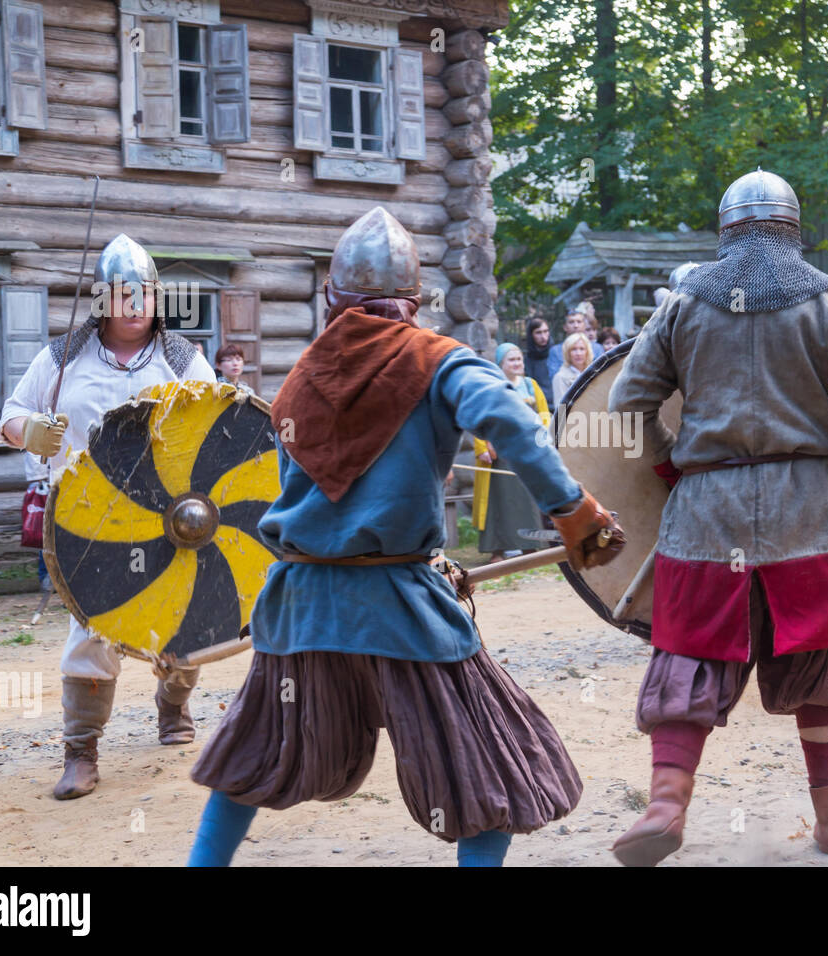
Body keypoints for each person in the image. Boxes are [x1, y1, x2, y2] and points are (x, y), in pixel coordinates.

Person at [185, 207, 624, 868]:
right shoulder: (436, 360)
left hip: (301, 608)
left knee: (250, 759)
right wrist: (574, 509)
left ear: (333, 298)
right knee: (491, 770)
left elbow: (315, 505)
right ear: (413, 302)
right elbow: (511, 418)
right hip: (400, 613)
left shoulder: (301, 379)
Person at [606, 169, 828, 866]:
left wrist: (671, 461)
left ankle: (666, 806)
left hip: (708, 514)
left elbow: (626, 403)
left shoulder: (683, 302)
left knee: (691, 654)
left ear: (726, 229)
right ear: (792, 230)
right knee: (825, 664)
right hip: (810, 518)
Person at [0, 234, 218, 800]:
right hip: (89, 522)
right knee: (91, 631)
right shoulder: (63, 356)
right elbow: (12, 416)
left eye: (143, 293)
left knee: (183, 625)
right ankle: (81, 752)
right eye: (123, 293)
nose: (134, 304)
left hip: (171, 521)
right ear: (105, 298)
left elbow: (219, 431)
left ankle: (173, 705)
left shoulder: (182, 359)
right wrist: (32, 432)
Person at [473, 343, 550, 562]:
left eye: (519, 359)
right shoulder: (491, 386)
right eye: (512, 360)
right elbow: (479, 416)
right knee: (499, 501)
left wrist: (540, 434)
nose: (517, 363)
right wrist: (482, 446)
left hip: (525, 452)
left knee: (526, 500)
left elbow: (544, 413)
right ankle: (497, 549)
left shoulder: (531, 385)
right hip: (499, 453)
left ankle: (529, 546)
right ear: (501, 364)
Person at [546, 309, 604, 377]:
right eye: (571, 322)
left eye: (579, 322)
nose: (576, 325)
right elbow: (554, 376)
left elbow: (601, 373)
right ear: (565, 327)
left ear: (584, 325)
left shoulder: (597, 348)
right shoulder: (555, 351)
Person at [551, 331, 593, 406]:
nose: (578, 353)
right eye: (574, 349)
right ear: (567, 353)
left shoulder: (594, 373)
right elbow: (561, 412)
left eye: (582, 349)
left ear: (587, 352)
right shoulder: (560, 378)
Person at [523, 317, 555, 396]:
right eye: (538, 332)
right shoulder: (526, 361)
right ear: (531, 335)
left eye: (545, 331)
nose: (543, 336)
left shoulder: (557, 354)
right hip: (539, 404)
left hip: (561, 403)